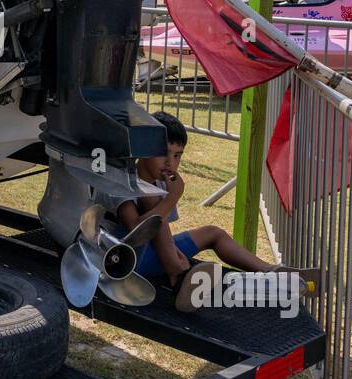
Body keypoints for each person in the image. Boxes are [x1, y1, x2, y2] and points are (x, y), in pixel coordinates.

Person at [115, 111, 316, 311]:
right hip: (125, 263)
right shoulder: (122, 180)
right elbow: (136, 229)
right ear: (143, 148)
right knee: (152, 201)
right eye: (163, 153)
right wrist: (172, 198)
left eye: (177, 156)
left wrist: (175, 251)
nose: (170, 163)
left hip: (150, 254)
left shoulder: (161, 183)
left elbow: (161, 231)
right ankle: (178, 276)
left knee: (213, 233)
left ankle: (270, 271)